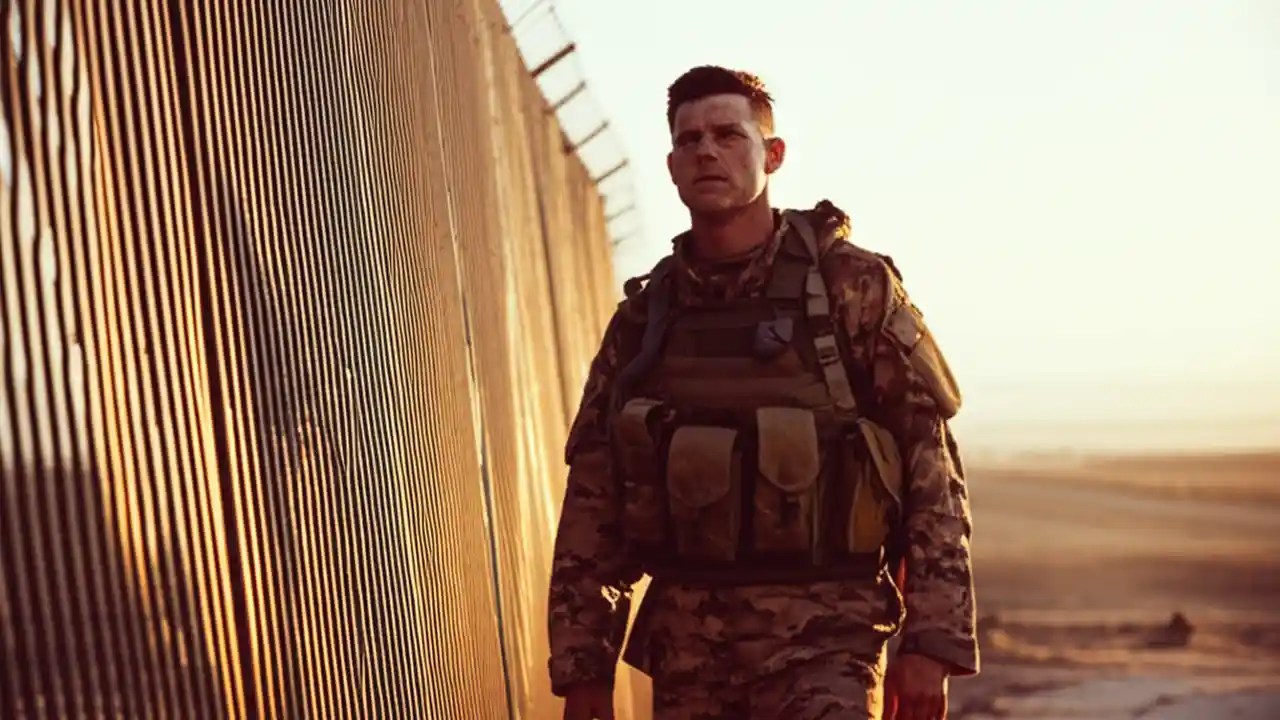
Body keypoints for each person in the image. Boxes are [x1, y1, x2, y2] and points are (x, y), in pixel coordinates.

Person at [547, 65, 978, 720]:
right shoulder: (646, 319)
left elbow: (931, 468)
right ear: (670, 165)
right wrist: (584, 673)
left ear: (772, 154)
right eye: (689, 140)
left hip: (827, 641)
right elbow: (593, 502)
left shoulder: (848, 288)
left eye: (728, 134)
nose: (707, 152)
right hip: (689, 653)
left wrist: (932, 642)